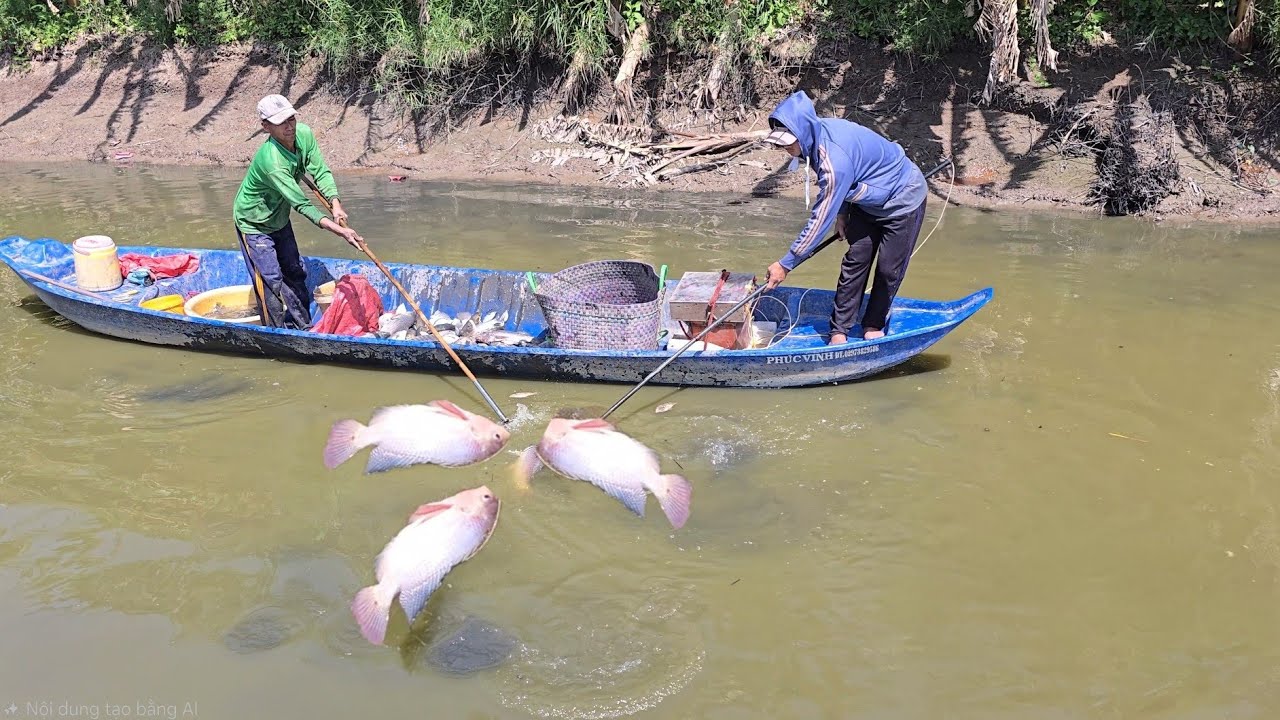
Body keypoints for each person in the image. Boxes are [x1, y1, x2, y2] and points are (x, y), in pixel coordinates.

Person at [761, 91, 928, 345]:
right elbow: (844, 185)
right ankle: (839, 329)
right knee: (854, 261)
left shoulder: (832, 159)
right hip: (865, 199)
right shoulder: (814, 140)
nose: (785, 148)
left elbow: (819, 219)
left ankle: (873, 323)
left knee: (887, 268)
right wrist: (842, 214)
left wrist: (786, 263)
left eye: (788, 142)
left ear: (803, 133)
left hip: (902, 200)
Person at [232, 94, 364, 329]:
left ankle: (302, 327)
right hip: (253, 222)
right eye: (281, 122)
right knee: (270, 280)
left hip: (279, 218)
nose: (289, 126)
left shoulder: (303, 134)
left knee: (295, 272)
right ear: (266, 127)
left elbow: (320, 171)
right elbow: (301, 203)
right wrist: (339, 231)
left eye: (291, 119)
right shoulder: (271, 160)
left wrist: (335, 203)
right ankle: (273, 332)